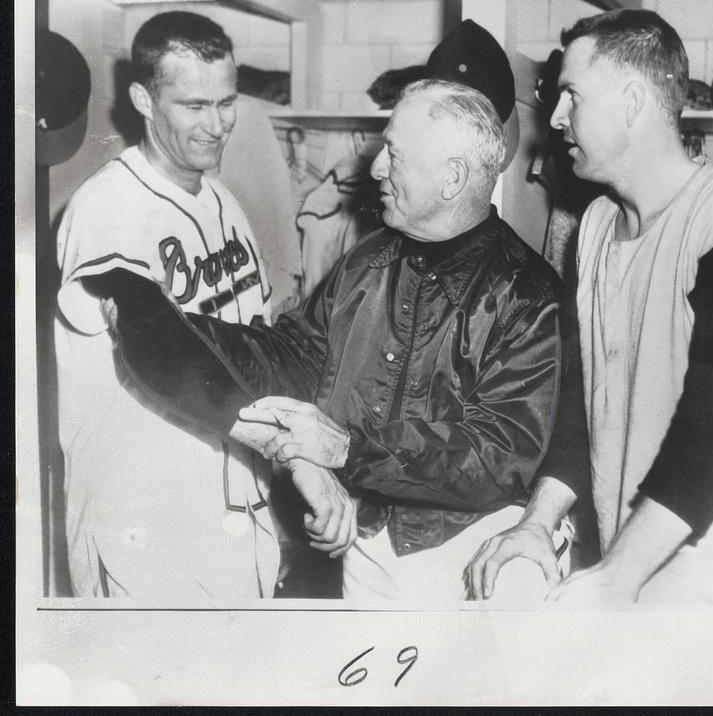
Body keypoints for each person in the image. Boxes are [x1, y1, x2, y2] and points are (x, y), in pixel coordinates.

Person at [104, 75, 575, 603]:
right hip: (365, 543)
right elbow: (296, 355)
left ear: (452, 178)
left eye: (393, 155)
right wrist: (170, 320)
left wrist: (349, 449)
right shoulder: (369, 259)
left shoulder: (527, 294)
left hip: (470, 557)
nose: (374, 169)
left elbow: (496, 455)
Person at [465, 9, 713, 605]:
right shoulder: (595, 225)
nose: (555, 117)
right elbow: (579, 404)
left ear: (634, 102)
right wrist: (538, 521)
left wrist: (617, 576)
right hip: (627, 569)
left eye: (570, 95)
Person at [54, 10, 352, 599]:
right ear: (144, 99)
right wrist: (289, 449)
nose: (217, 126)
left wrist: (294, 462)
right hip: (143, 521)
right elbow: (156, 341)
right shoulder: (107, 207)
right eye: (194, 106)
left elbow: (259, 352)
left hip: (233, 507)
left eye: (227, 102)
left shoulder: (222, 200)